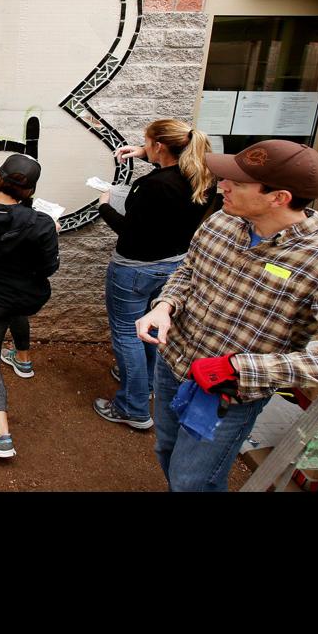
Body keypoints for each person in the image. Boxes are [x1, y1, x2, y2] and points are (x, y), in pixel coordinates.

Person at [134, 139, 318, 492]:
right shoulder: (222, 222)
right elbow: (188, 272)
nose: (221, 186)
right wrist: (165, 307)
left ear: (279, 197)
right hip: (171, 365)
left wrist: (241, 368)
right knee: (166, 449)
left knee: (191, 479)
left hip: (228, 394)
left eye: (237, 184)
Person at [92, 119, 217, 431]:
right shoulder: (200, 176)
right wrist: (142, 154)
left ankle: (132, 407)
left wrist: (104, 205)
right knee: (148, 328)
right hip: (172, 264)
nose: (143, 146)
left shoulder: (154, 186)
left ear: (160, 145)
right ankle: (145, 383)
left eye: (146, 142)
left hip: (134, 267)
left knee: (126, 333)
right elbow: (171, 171)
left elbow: (128, 228)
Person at [0, 154, 59, 459]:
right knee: (15, 309)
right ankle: (23, 359)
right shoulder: (41, 224)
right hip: (28, 297)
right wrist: (51, 232)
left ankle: (1, 434)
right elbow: (49, 268)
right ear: (29, 192)